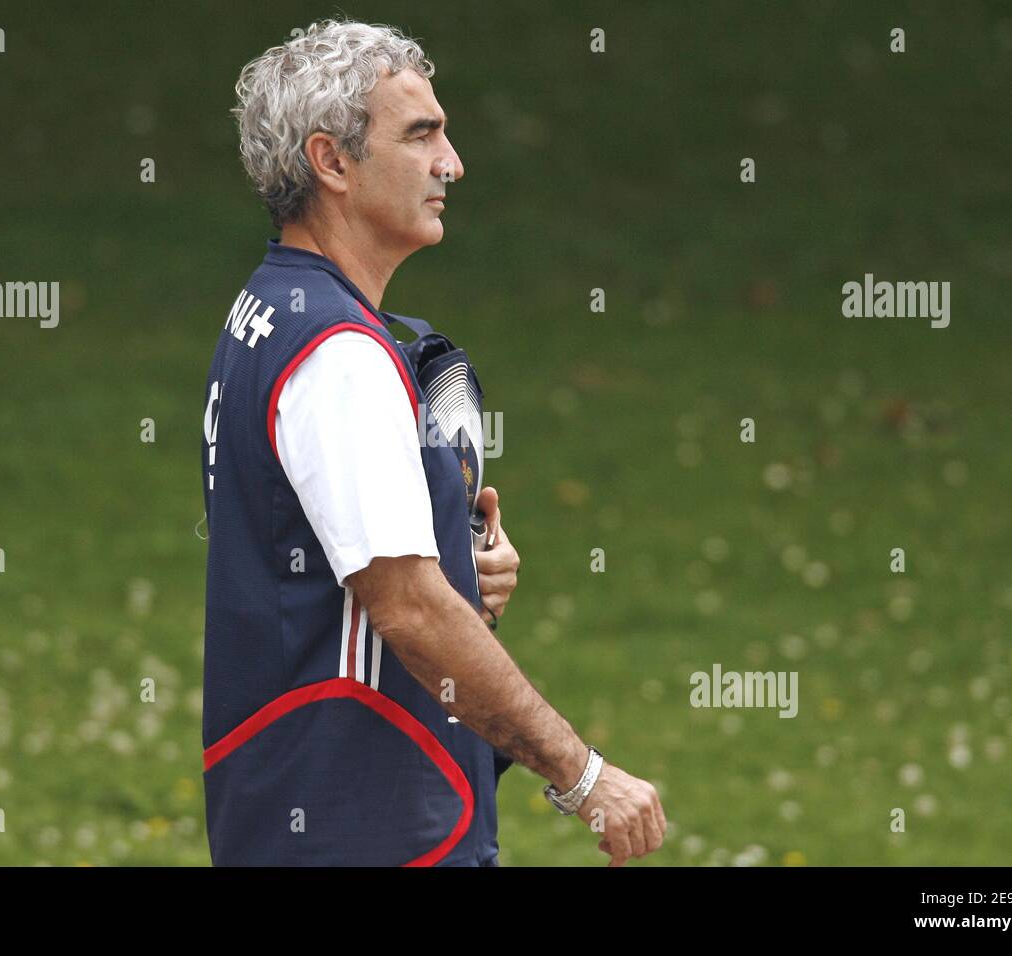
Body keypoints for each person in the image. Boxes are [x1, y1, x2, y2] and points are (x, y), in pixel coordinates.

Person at [201, 18, 665, 866]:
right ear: (331, 162)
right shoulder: (337, 354)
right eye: (422, 136)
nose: (453, 163)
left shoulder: (269, 312)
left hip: (296, 800)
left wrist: (454, 560)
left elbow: (323, 556)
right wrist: (583, 774)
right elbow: (408, 608)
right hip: (364, 816)